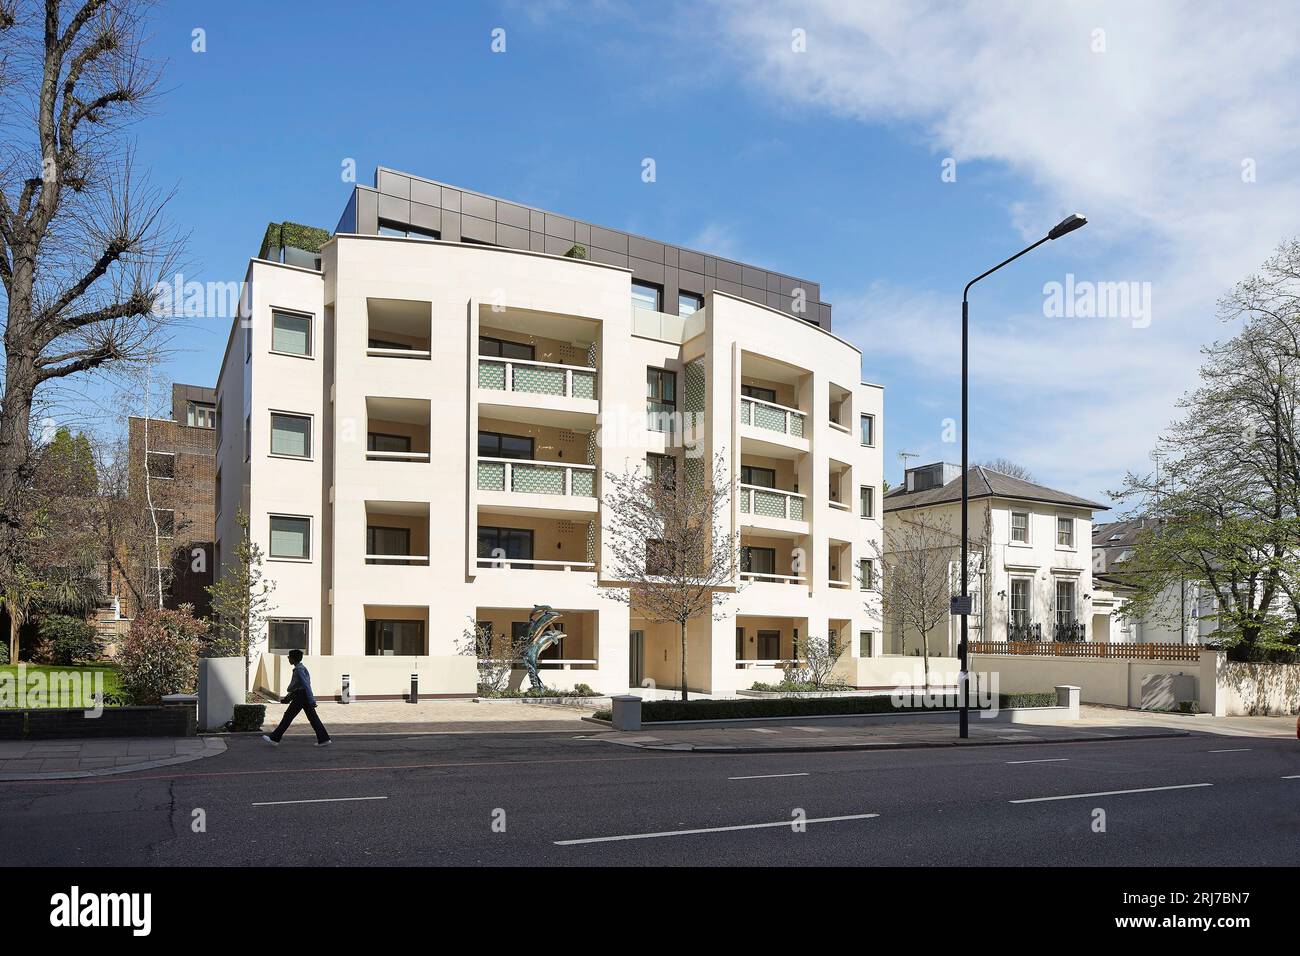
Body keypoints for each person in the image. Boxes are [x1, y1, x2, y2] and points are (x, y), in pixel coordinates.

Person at [262, 649, 332, 746]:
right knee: (313, 718)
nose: (288, 658)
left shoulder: (299, 670)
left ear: (293, 659)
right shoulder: (301, 668)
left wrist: (311, 700)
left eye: (289, 657)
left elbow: (305, 685)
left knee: (288, 716)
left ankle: (274, 738)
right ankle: (324, 739)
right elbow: (300, 686)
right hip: (303, 696)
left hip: (301, 697)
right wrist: (290, 697)